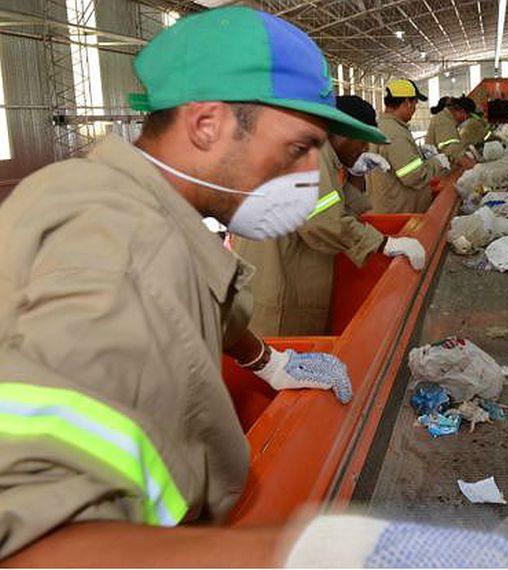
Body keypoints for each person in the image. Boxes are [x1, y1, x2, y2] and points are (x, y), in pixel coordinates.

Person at [0, 7, 388, 564]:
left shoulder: (137, 206)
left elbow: (192, 299)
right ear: (207, 125)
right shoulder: (121, 255)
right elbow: (31, 539)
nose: (307, 176)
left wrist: (264, 360)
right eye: (297, 148)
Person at [233, 95, 426, 336]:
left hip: (278, 275)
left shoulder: (317, 151)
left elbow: (340, 204)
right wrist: (384, 244)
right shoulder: (311, 154)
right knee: (288, 356)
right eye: (362, 142)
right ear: (343, 132)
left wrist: (354, 172)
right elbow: (323, 221)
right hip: (278, 288)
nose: (365, 149)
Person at [368, 79, 449, 214]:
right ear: (406, 102)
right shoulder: (395, 133)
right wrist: (437, 163)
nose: (414, 109)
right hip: (400, 214)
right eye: (415, 104)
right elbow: (413, 175)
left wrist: (419, 154)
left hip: (388, 207)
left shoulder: (383, 126)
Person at [425, 95, 477, 167]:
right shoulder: (444, 121)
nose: (465, 120)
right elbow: (452, 150)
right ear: (462, 111)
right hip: (437, 170)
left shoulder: (448, 119)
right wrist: (474, 167)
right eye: (467, 117)